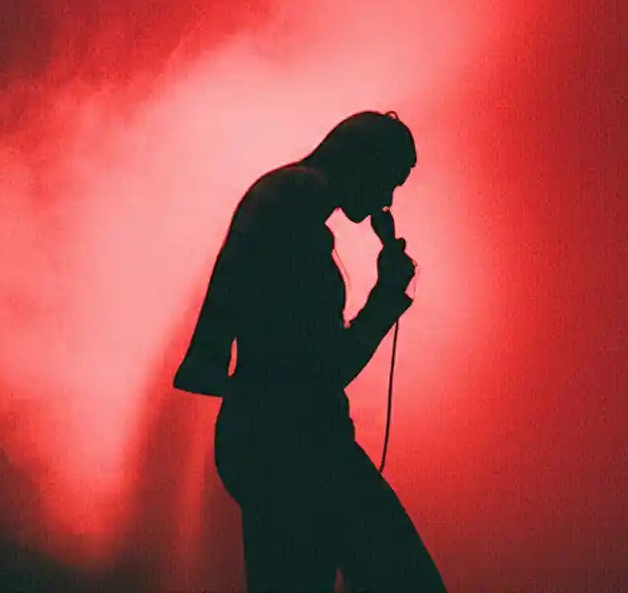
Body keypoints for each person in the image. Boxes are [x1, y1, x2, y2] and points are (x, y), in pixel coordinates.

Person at [173, 111, 446, 591]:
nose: (386, 199)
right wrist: (385, 297)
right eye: (388, 179)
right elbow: (322, 367)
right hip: (295, 443)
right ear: (362, 159)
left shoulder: (283, 195)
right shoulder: (297, 201)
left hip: (268, 437)